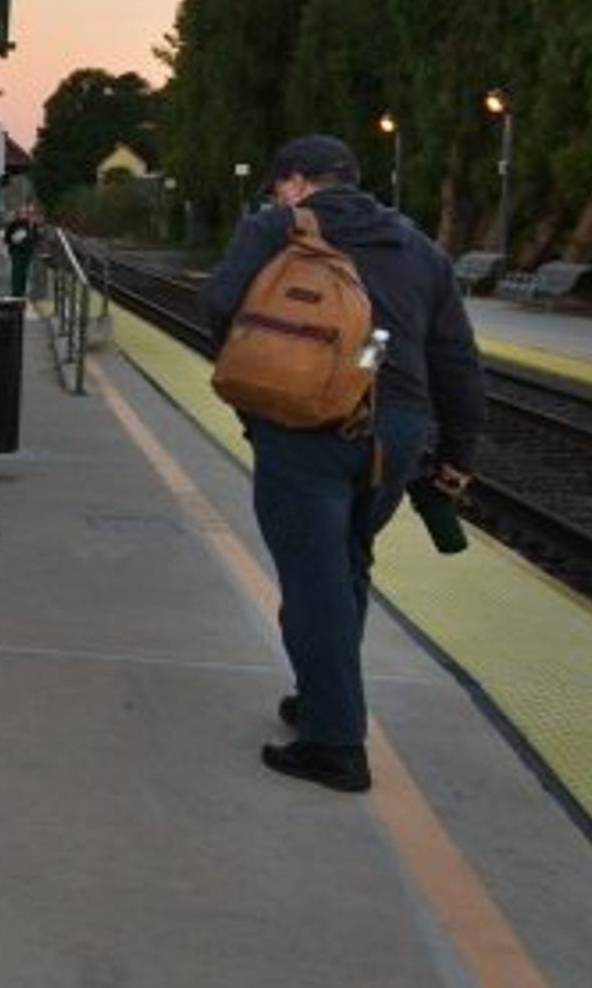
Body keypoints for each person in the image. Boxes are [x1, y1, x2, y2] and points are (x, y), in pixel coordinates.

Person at [203, 135, 483, 794]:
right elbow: (457, 361)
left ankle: (335, 745)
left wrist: (255, 382)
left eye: (280, 188)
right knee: (347, 562)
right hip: (399, 427)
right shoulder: (419, 249)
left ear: (296, 182)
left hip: (306, 426)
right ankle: (320, 695)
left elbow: (218, 304)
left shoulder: (276, 229)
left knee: (315, 579)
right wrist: (457, 454)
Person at [0, 200, 46, 300]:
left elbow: (36, 237)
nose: (27, 215)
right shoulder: (15, 224)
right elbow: (7, 238)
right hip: (17, 251)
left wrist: (36, 236)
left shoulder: (32, 225)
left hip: (27, 251)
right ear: (19, 214)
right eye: (24, 213)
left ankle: (21, 292)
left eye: (29, 213)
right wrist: (14, 241)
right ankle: (16, 292)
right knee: (17, 272)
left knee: (24, 272)